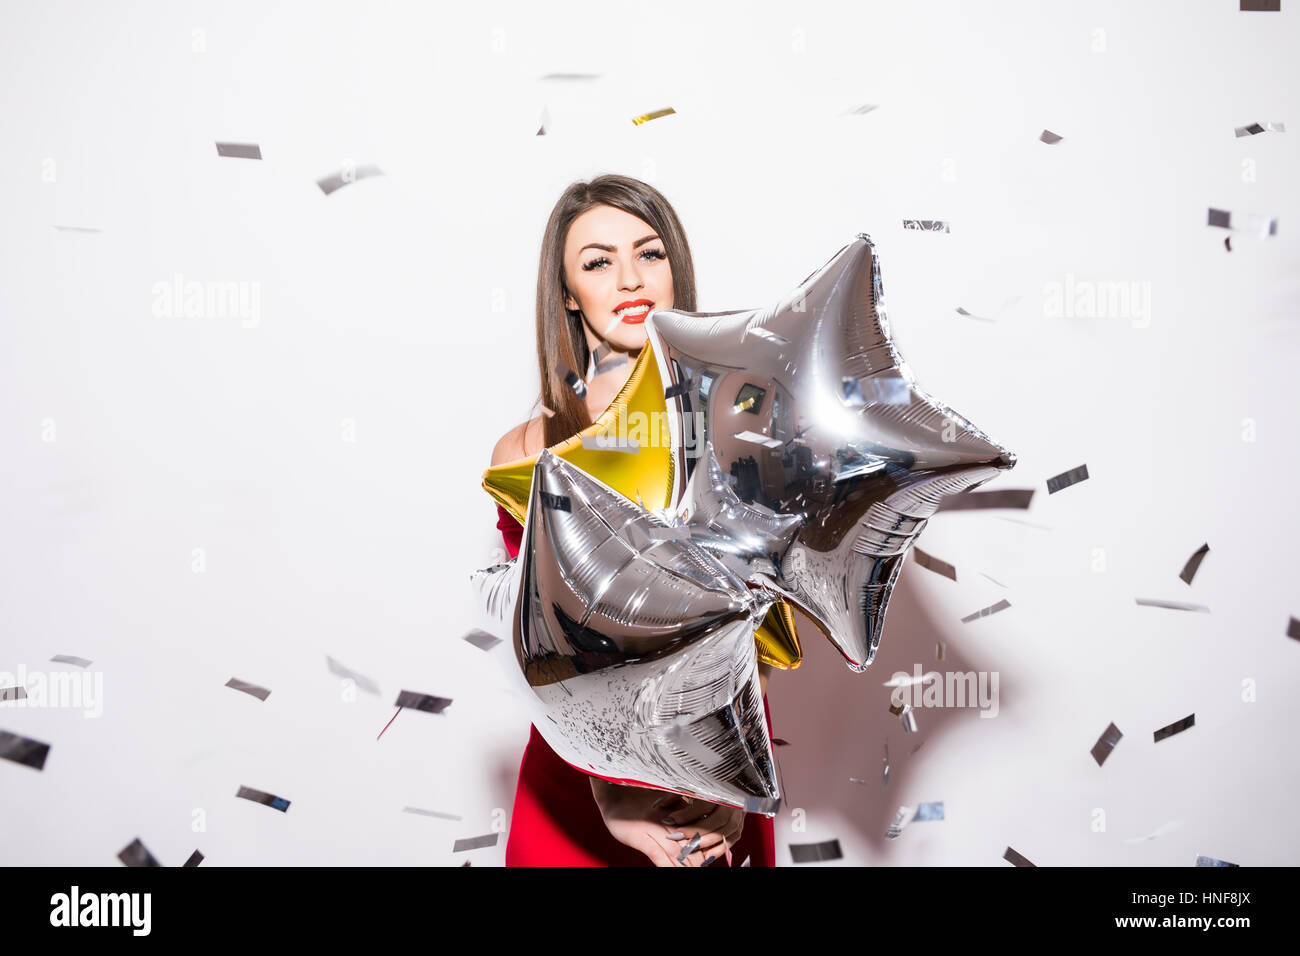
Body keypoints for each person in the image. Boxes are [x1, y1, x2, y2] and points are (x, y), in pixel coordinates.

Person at [489, 174, 777, 867]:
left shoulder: (747, 428)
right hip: (577, 787)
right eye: (597, 261)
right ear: (566, 294)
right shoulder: (528, 453)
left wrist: (725, 778)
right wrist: (609, 790)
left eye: (649, 254)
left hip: (714, 779)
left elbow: (766, 627)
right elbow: (539, 648)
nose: (629, 278)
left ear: (676, 271)